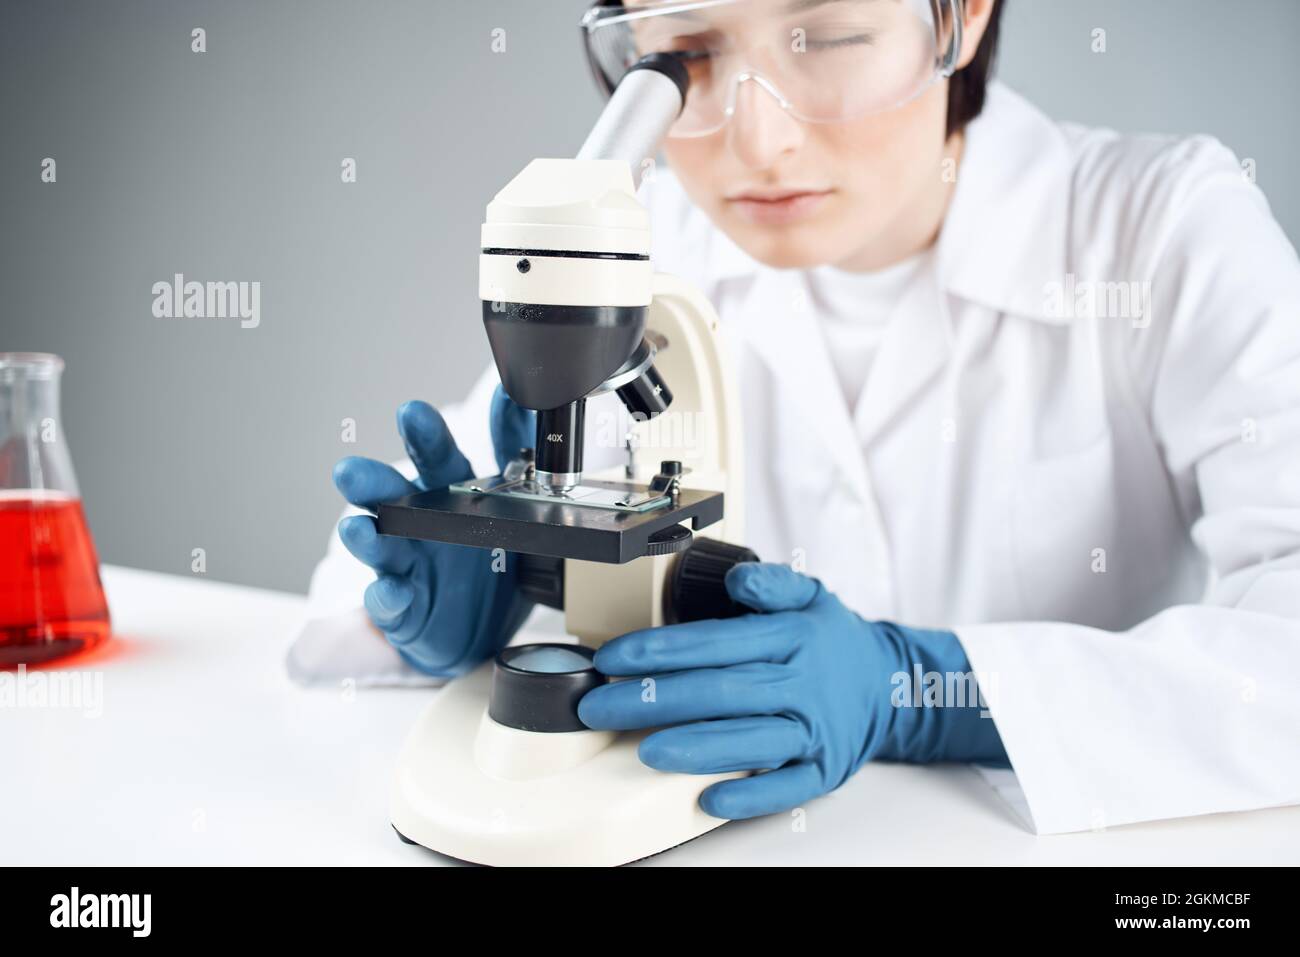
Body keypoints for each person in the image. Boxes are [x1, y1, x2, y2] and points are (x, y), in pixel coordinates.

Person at [311, 0, 1300, 833]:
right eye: (686, 55)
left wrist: (925, 689)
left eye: (824, 40)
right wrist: (447, 603)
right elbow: (336, 608)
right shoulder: (643, 259)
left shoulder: (1162, 229)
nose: (760, 140)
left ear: (956, 19)